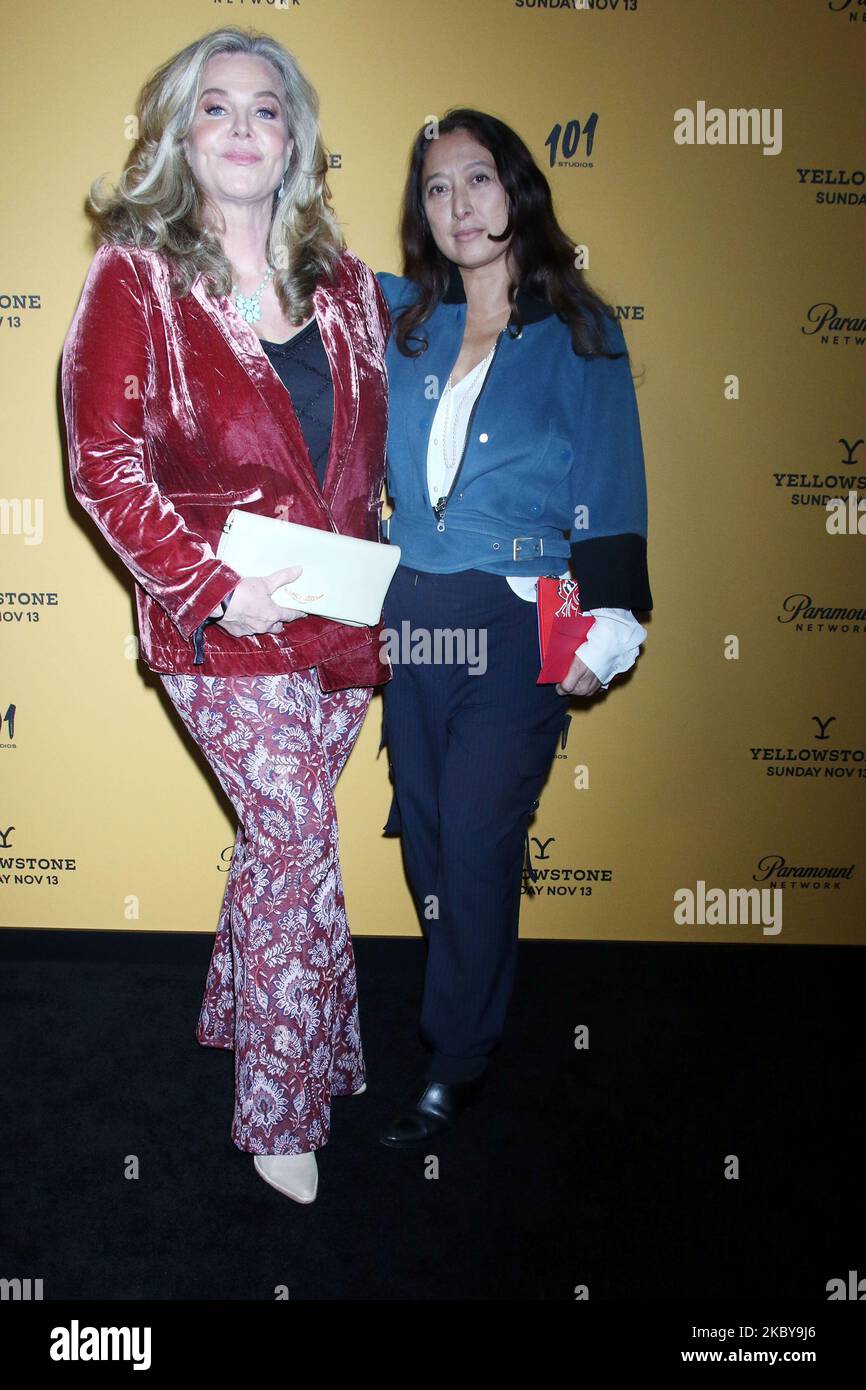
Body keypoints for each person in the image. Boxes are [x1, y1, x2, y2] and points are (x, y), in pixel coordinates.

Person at [60, 27, 393, 1203]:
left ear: (293, 136)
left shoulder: (344, 281)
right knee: (298, 839)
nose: (244, 125)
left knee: (280, 848)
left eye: (266, 106)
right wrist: (211, 586)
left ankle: (261, 1023)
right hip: (219, 624)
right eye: (216, 107)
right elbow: (103, 465)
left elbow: (369, 455)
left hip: (339, 622)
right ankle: (280, 1108)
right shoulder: (137, 274)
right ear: (181, 137)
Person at [375, 109, 653, 1148]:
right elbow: (286, 276)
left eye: (476, 180)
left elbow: (611, 479)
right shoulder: (401, 317)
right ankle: (462, 998)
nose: (456, 205)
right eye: (436, 189)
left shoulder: (579, 328)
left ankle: (457, 1055)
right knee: (430, 830)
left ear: (516, 190)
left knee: (482, 833)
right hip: (413, 612)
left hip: (517, 612)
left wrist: (610, 621)